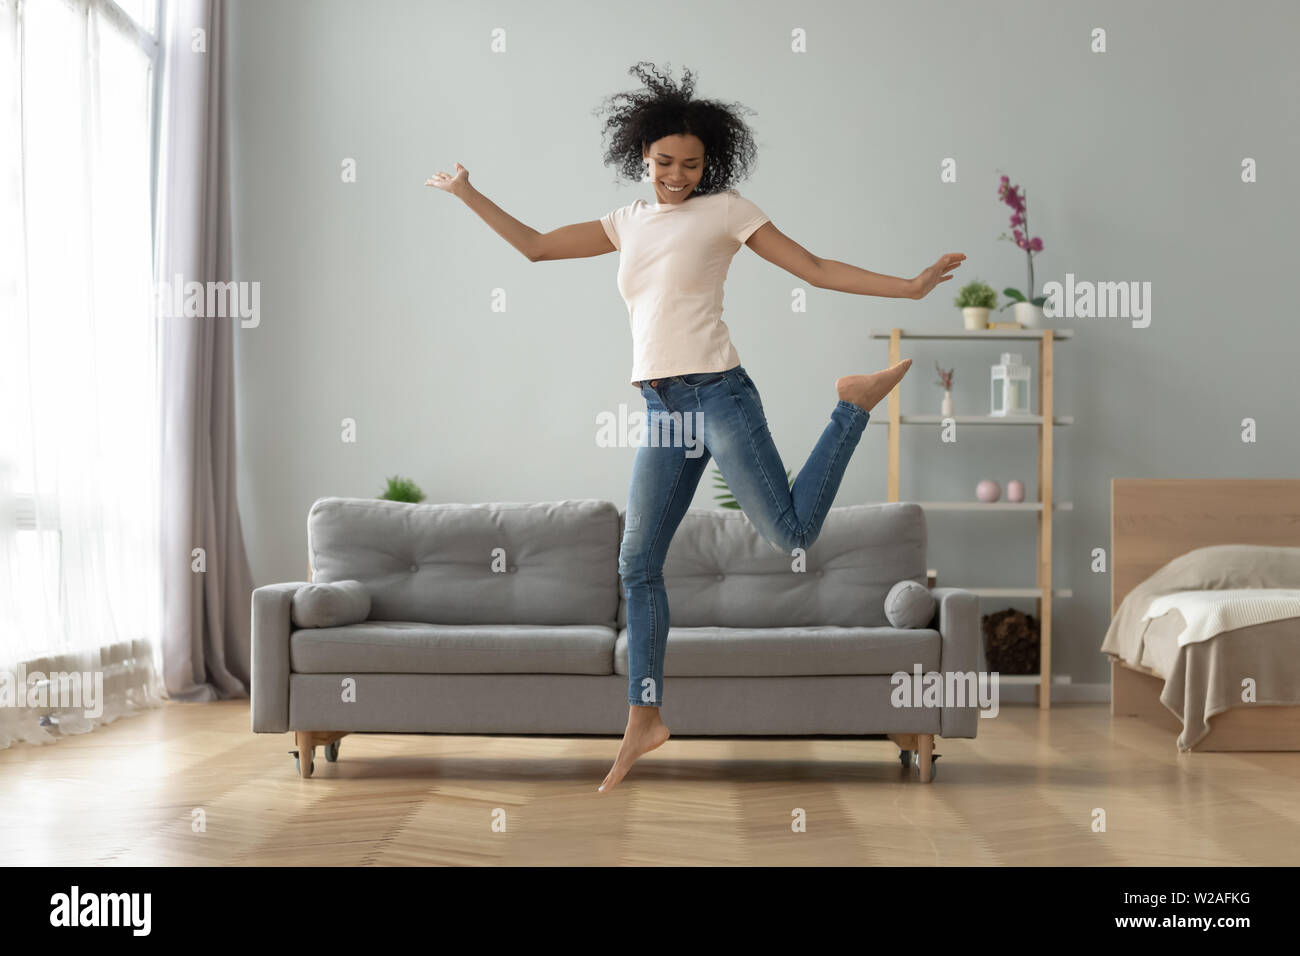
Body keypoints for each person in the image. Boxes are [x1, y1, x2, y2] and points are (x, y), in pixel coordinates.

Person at [426, 61, 965, 793]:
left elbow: (812, 267)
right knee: (637, 563)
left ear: (711, 162)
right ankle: (644, 713)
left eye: (691, 164)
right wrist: (467, 193)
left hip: (719, 396)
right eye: (663, 163)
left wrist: (906, 285)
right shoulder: (626, 222)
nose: (676, 175)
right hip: (662, 410)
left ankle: (852, 406)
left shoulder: (727, 212)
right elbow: (536, 247)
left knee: (793, 535)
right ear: (641, 158)